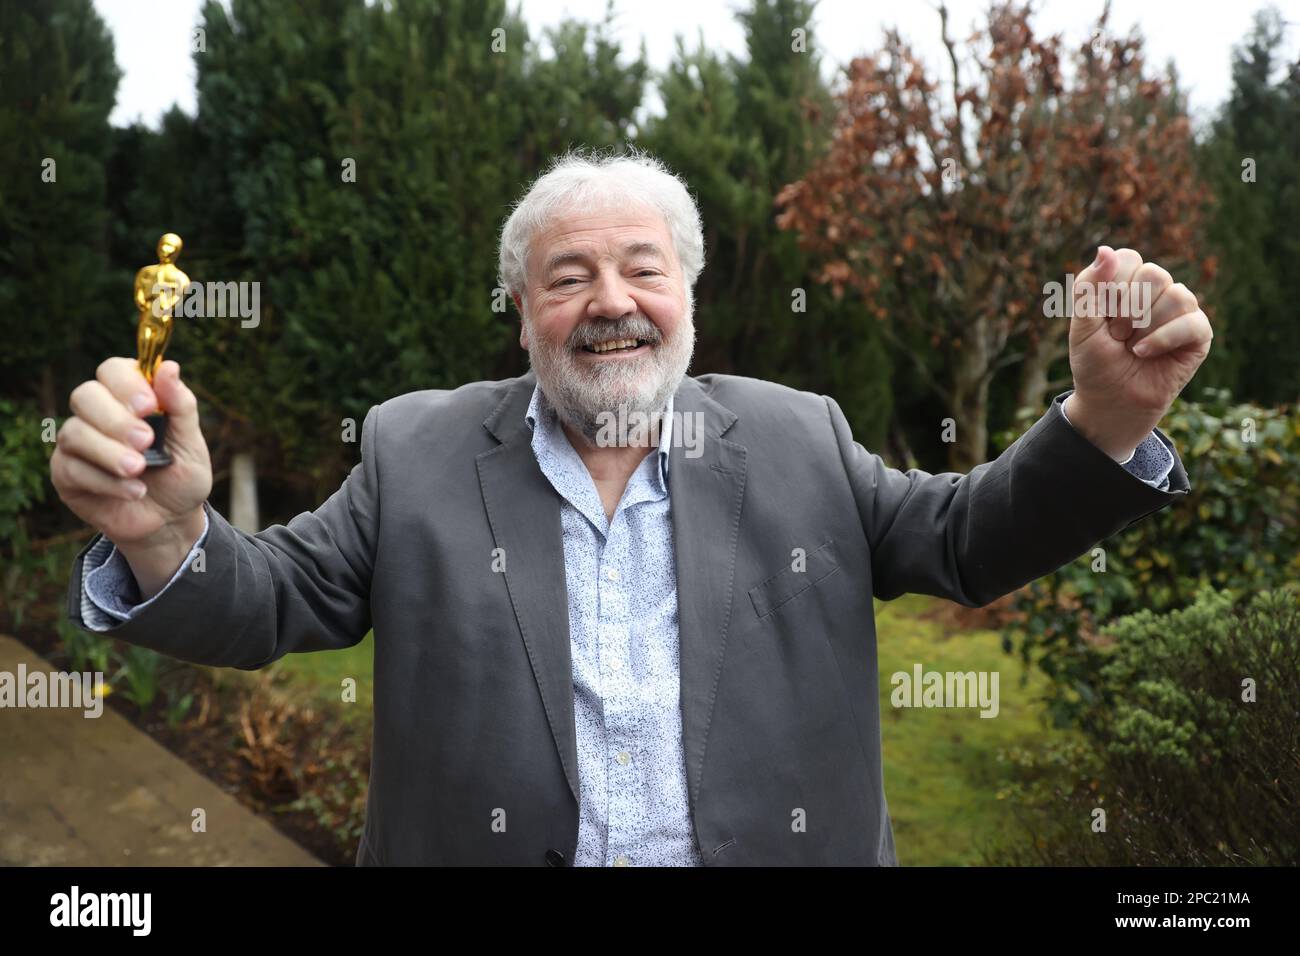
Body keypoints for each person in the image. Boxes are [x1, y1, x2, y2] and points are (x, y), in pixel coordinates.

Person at [51, 150, 1211, 866]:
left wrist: (1101, 419)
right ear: (520, 311)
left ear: (688, 295)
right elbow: (271, 602)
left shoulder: (798, 433)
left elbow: (965, 540)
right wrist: (160, 534)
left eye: (643, 269)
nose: (612, 303)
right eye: (568, 278)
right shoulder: (416, 446)